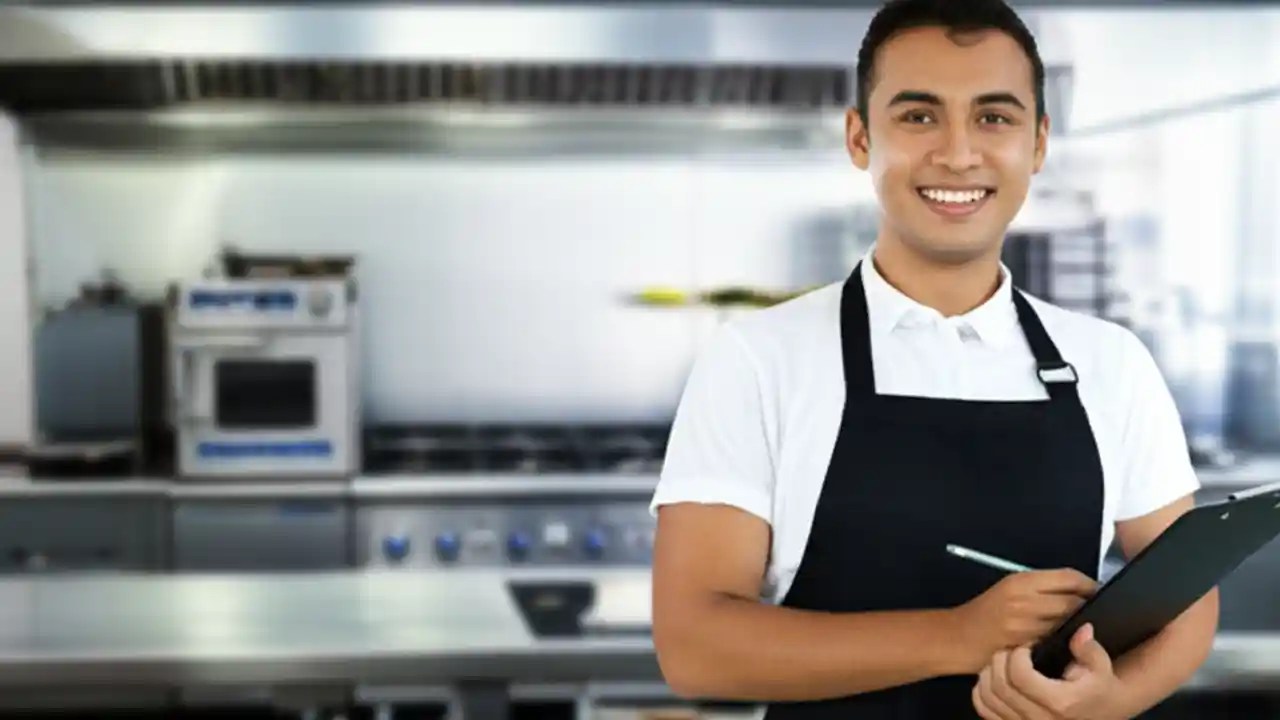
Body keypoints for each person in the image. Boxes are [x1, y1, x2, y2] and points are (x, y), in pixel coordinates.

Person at [648, 0, 1220, 718]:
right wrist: (956, 636)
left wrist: (1110, 702)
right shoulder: (758, 360)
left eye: (995, 117)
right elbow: (695, 649)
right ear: (860, 137)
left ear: (1038, 143)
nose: (957, 153)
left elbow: (1189, 600)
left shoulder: (1112, 363)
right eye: (919, 116)